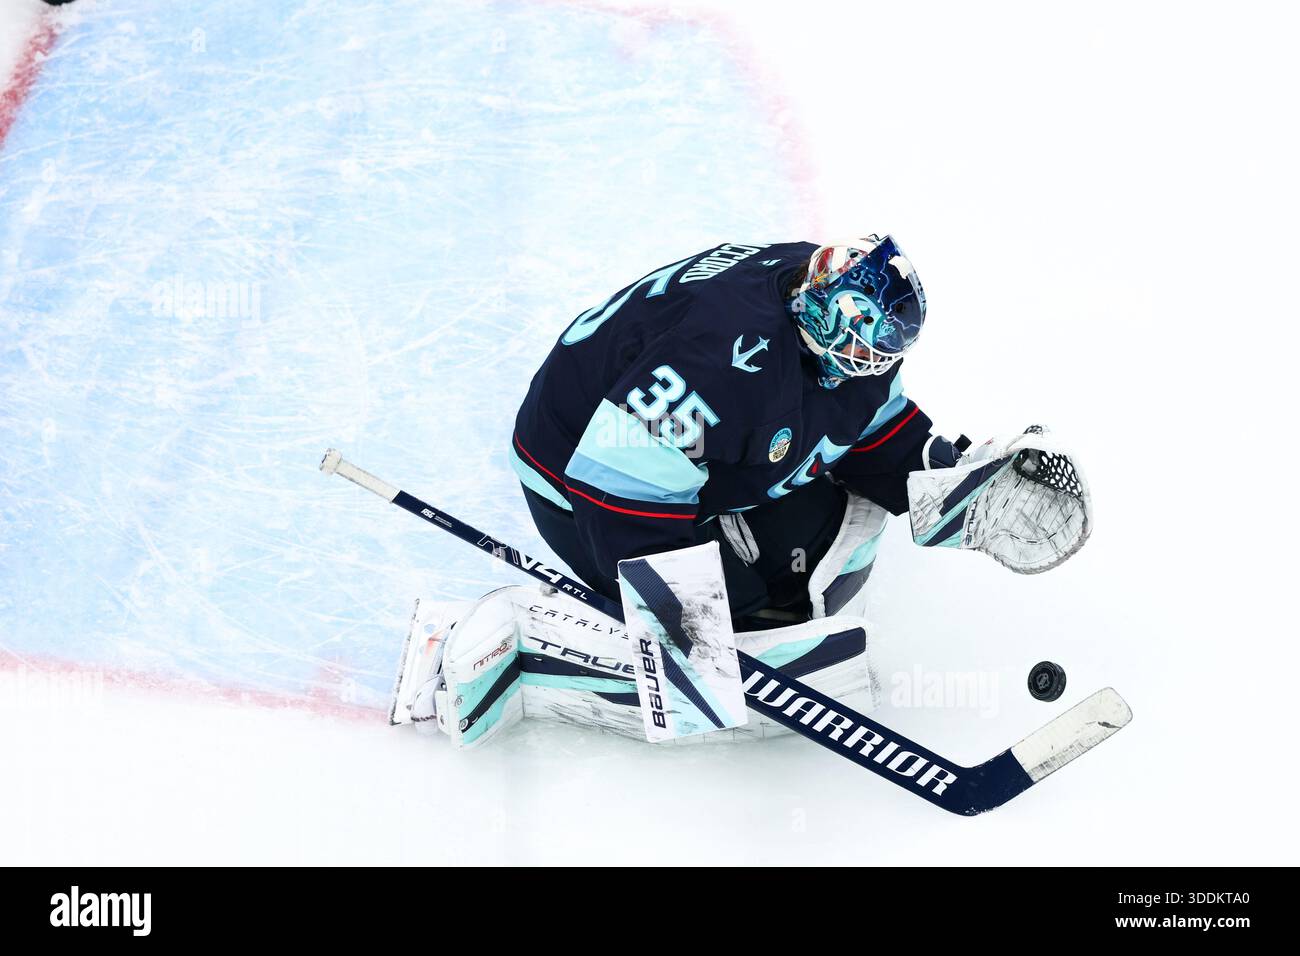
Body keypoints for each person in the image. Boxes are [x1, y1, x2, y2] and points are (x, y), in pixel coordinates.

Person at [510, 236, 965, 625]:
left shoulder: (820, 291)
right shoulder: (715, 363)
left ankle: (745, 590)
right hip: (572, 474)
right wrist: (690, 622)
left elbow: (867, 423)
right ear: (822, 318)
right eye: (857, 347)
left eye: (878, 350)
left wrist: (941, 475)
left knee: (810, 542)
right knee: (741, 600)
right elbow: (619, 492)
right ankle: (735, 613)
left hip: (664, 435)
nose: (867, 363)